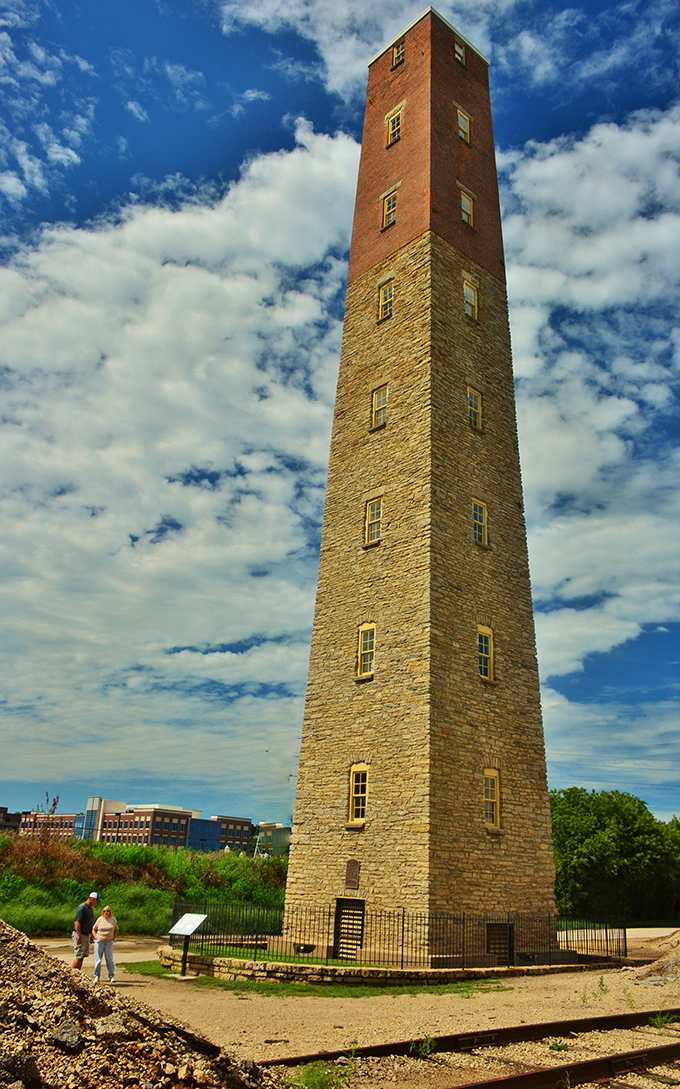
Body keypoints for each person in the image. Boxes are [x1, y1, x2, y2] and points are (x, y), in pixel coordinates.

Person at [72, 892, 99, 970]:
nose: (96, 903)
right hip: (81, 934)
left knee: (83, 955)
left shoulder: (90, 909)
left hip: (86, 935)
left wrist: (91, 935)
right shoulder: (82, 908)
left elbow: (89, 923)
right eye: (96, 901)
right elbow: (77, 922)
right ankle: (72, 972)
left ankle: (78, 972)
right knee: (79, 955)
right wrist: (79, 935)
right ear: (92, 899)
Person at [92, 904, 119, 984]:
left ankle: (111, 975)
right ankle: (97, 976)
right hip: (100, 941)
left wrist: (114, 937)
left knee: (109, 959)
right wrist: (95, 937)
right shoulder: (100, 919)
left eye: (107, 911)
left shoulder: (113, 919)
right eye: (104, 911)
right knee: (98, 959)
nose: (106, 912)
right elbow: (93, 929)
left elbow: (116, 929)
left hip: (109, 941)